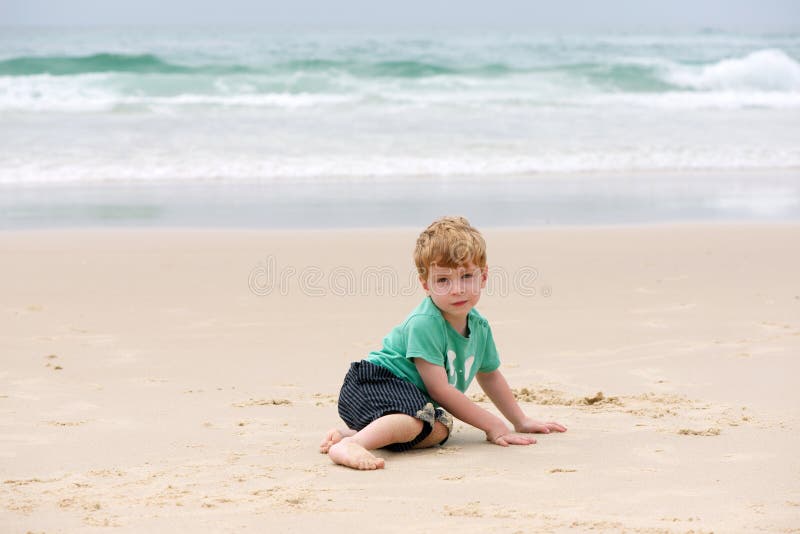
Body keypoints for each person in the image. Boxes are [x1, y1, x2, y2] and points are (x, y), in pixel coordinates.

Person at [320, 216, 566, 470]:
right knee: (419, 420)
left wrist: (519, 420)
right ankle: (354, 444)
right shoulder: (425, 322)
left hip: (407, 401)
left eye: (466, 276)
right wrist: (493, 424)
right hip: (372, 384)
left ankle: (357, 433)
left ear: (484, 277)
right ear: (426, 284)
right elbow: (439, 390)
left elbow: (490, 375)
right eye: (443, 280)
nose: (457, 289)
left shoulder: (479, 327)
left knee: (438, 429)